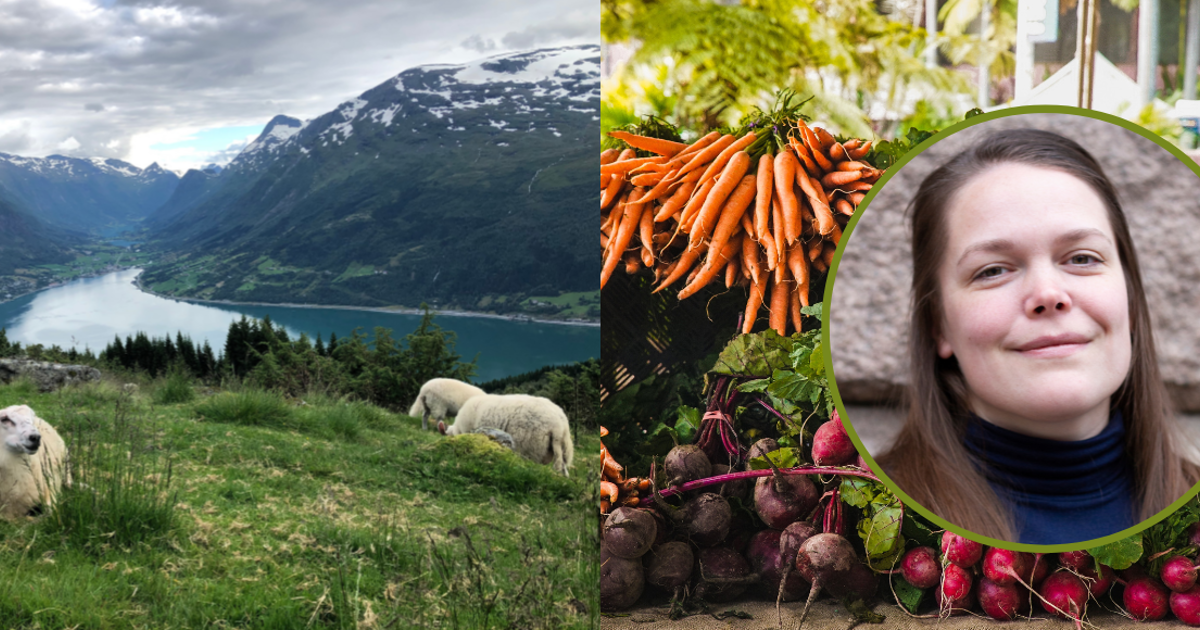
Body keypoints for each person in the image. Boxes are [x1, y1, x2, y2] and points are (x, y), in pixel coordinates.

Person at [875, 128, 1200, 544]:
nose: (1048, 294)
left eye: (1082, 258)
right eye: (992, 270)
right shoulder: (868, 518)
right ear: (938, 324)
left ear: (1131, 300)